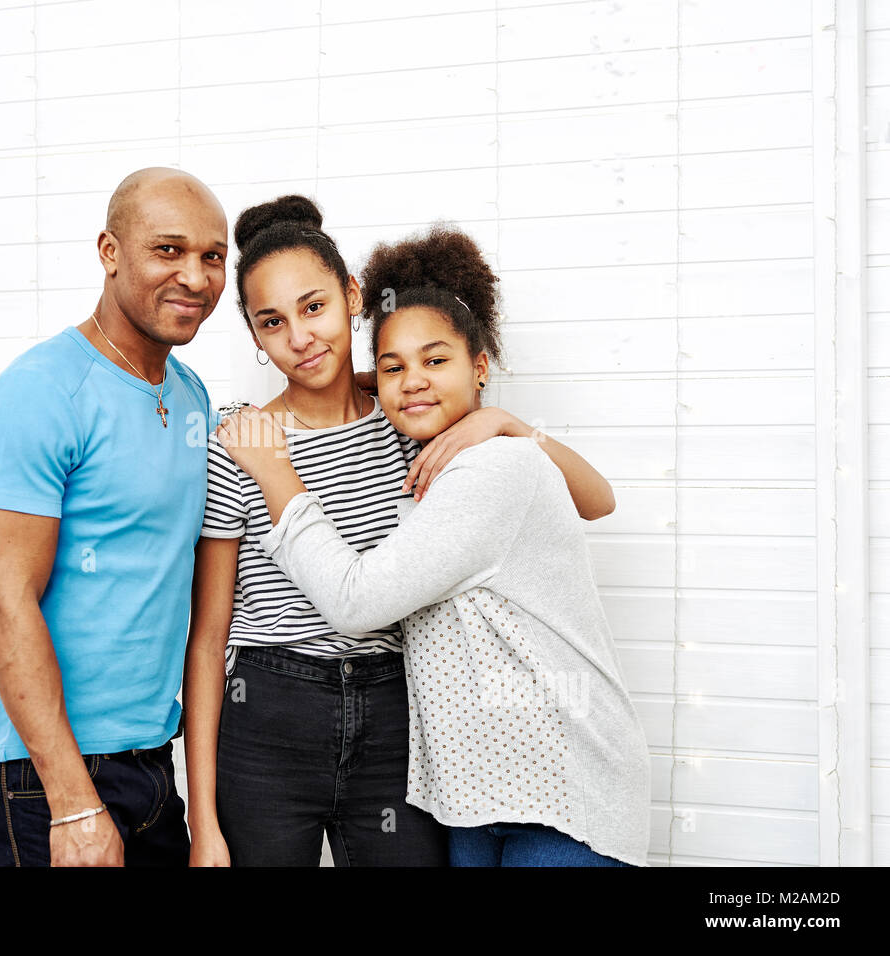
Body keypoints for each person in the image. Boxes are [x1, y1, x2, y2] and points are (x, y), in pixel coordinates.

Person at [184, 197, 619, 867]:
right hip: (268, 716)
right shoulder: (243, 443)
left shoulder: (411, 420)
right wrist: (203, 819)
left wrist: (499, 421)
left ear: (352, 296)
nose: (300, 338)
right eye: (272, 323)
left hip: (395, 714)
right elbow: (210, 635)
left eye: (314, 307)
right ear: (254, 336)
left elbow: (595, 499)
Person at [0, 167, 226, 867]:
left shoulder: (191, 396)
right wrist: (71, 797)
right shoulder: (40, 391)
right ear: (109, 251)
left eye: (213, 256)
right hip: (36, 782)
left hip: (146, 769)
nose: (194, 276)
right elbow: (3, 602)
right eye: (169, 250)